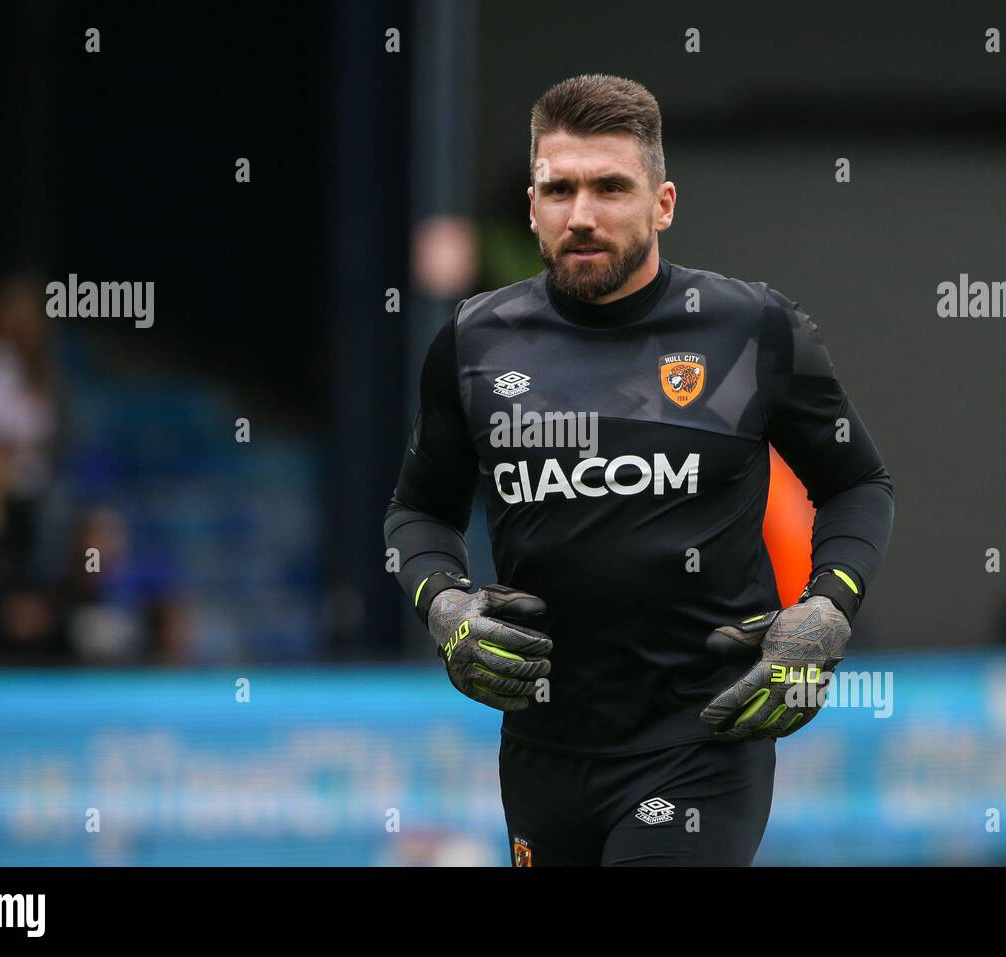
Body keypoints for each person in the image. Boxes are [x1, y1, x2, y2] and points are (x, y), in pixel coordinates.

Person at [383, 74, 894, 866]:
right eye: (560, 189)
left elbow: (857, 483)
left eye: (611, 187)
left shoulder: (751, 327)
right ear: (531, 205)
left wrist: (828, 610)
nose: (581, 214)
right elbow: (419, 512)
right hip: (542, 745)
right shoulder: (474, 340)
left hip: (702, 737)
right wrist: (444, 604)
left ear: (663, 203)